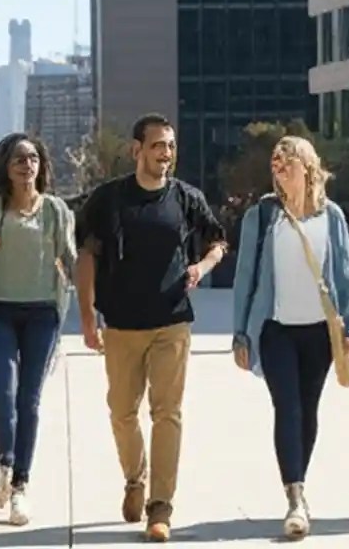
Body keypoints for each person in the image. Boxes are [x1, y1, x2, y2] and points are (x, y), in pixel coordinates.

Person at [75, 113, 228, 542]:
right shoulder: (108, 200)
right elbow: (86, 257)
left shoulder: (186, 198)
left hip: (171, 321)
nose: (166, 153)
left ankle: (160, 507)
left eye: (171, 146)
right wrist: (87, 317)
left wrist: (202, 266)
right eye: (158, 145)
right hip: (121, 325)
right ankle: (134, 478)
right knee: (122, 412)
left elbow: (217, 241)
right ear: (137, 150)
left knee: (167, 414)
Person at [230, 136, 349, 539]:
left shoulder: (331, 216)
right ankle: (295, 497)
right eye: (275, 160)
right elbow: (245, 277)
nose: (280, 166)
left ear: (307, 166)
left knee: (308, 409)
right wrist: (240, 333)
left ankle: (298, 485)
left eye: (287, 159)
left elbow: (346, 277)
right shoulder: (262, 216)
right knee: (286, 407)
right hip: (276, 330)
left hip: (319, 332)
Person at [0, 133, 76, 526]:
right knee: (4, 394)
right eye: (19, 159)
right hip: (0, 313)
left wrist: (95, 307)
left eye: (33, 158)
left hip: (43, 314)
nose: (27, 165)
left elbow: (70, 260)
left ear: (41, 166)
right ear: (6, 167)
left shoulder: (55, 210)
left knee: (29, 400)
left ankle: (21, 485)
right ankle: (6, 464)